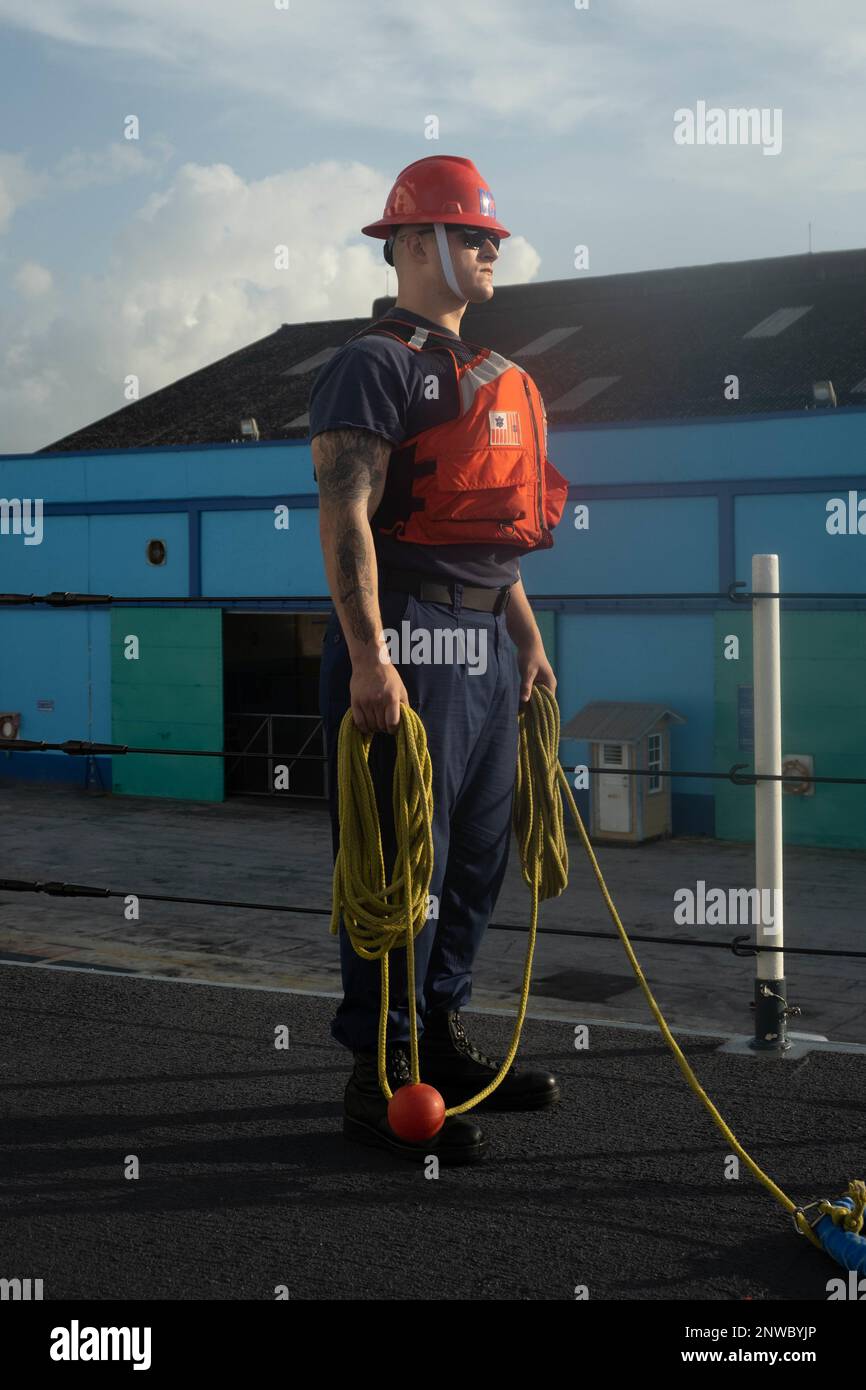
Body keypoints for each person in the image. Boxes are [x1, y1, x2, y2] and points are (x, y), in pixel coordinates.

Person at [310, 155, 570, 1165]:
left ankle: (441, 1039)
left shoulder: (491, 378)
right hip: (406, 641)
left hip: (484, 648)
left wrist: (527, 640)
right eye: (469, 235)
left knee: (473, 858)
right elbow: (349, 516)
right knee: (393, 863)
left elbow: (480, 528)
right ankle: (379, 1074)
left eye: (491, 236)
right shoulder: (371, 365)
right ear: (410, 246)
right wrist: (370, 655)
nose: (488, 248)